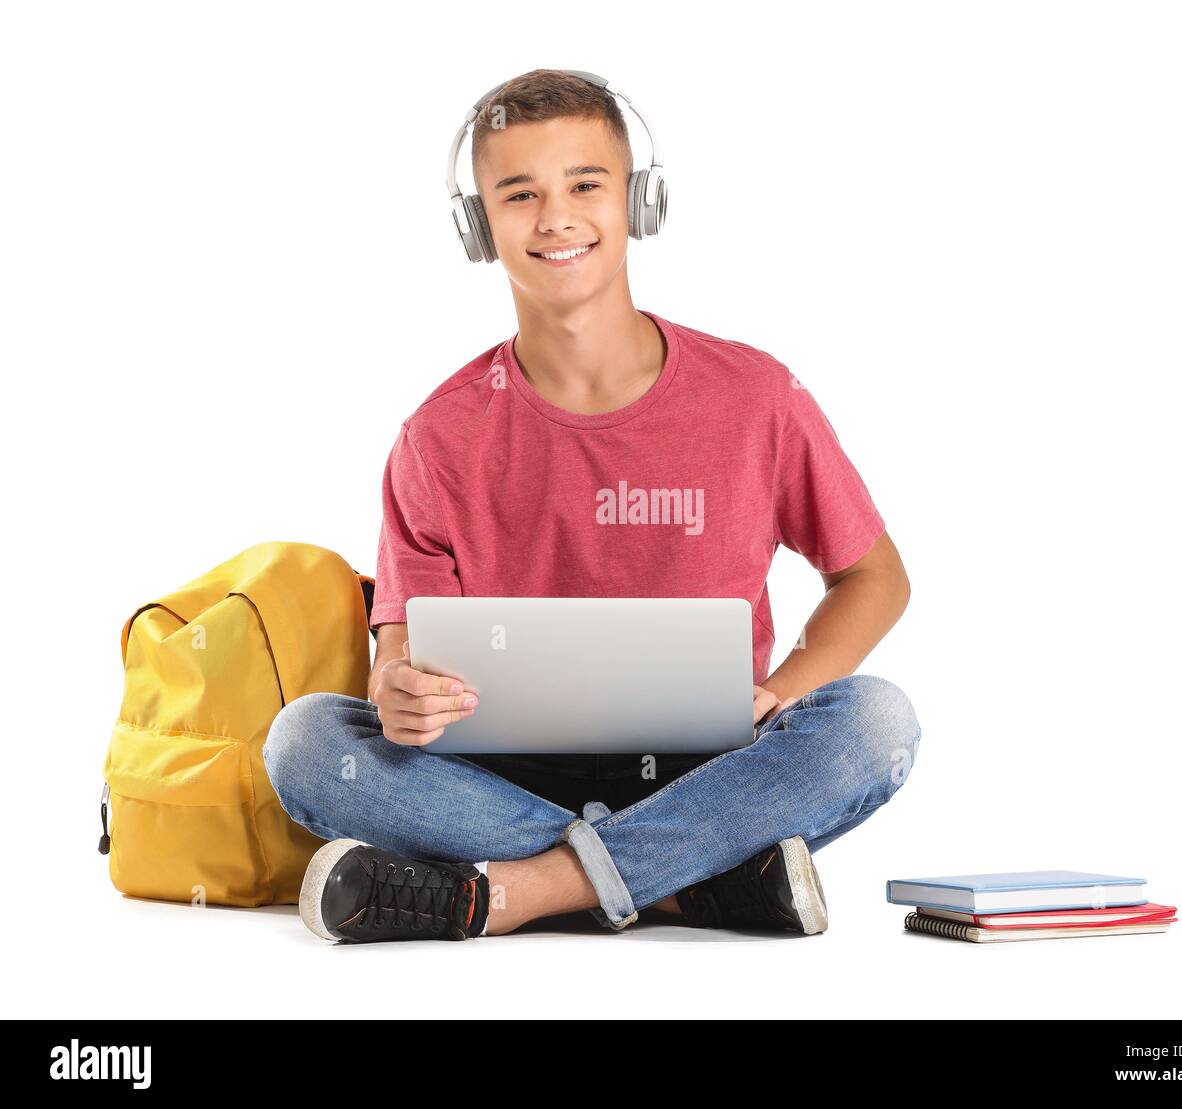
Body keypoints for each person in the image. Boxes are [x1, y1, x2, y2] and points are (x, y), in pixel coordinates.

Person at [263, 68, 921, 944]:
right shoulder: (438, 434)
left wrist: (784, 689)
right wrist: (398, 690)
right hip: (503, 780)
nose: (556, 217)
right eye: (520, 193)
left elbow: (874, 577)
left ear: (637, 203)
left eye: (585, 185)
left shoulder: (757, 396)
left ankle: (521, 889)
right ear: (478, 226)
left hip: (713, 772)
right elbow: (400, 653)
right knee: (305, 740)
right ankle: (687, 883)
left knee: (877, 720)